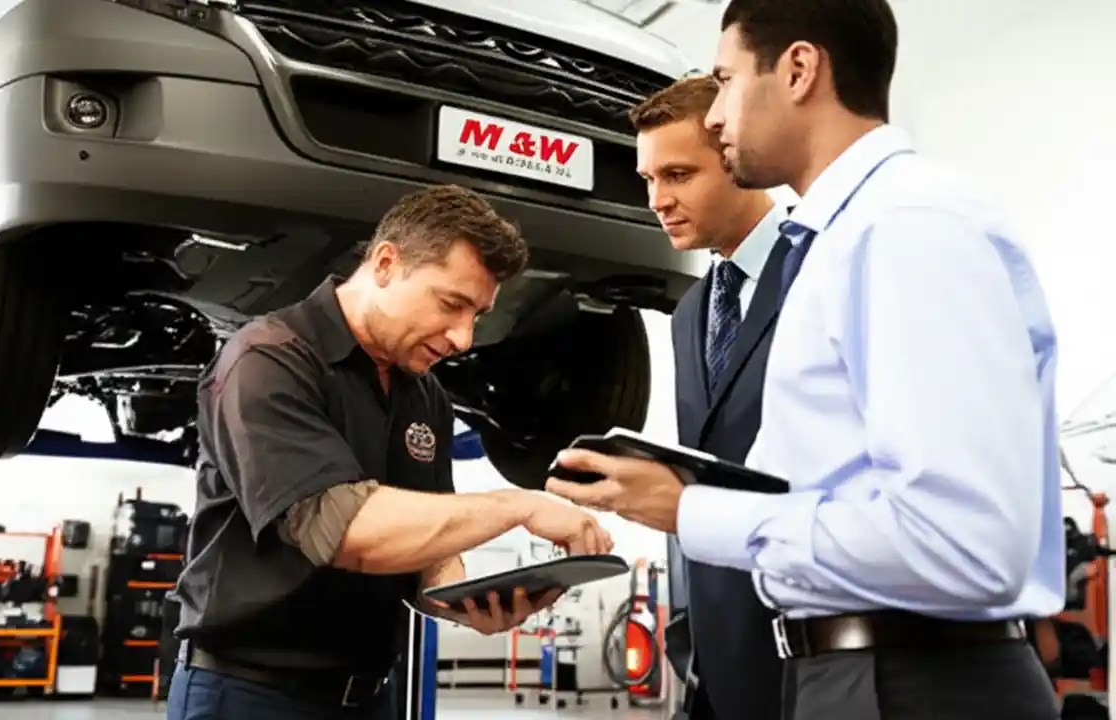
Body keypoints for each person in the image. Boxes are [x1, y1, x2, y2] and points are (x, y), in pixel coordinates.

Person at [547, 1, 1064, 719]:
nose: (718, 115)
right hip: (841, 672)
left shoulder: (905, 229)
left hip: (911, 681)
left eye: (725, 81)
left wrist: (692, 509)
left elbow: (963, 542)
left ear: (798, 69)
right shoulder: (847, 240)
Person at [168, 184, 615, 720]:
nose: (464, 337)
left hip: (370, 695)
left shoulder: (424, 395)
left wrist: (469, 601)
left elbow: (427, 552)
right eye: (452, 304)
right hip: (250, 695)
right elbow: (344, 532)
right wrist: (518, 506)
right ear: (385, 263)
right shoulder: (268, 360)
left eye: (478, 313)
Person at [629, 75, 788, 720]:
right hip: (718, 661)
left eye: (677, 174)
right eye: (647, 180)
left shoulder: (824, 269)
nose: (658, 200)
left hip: (813, 643)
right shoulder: (691, 310)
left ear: (737, 154)